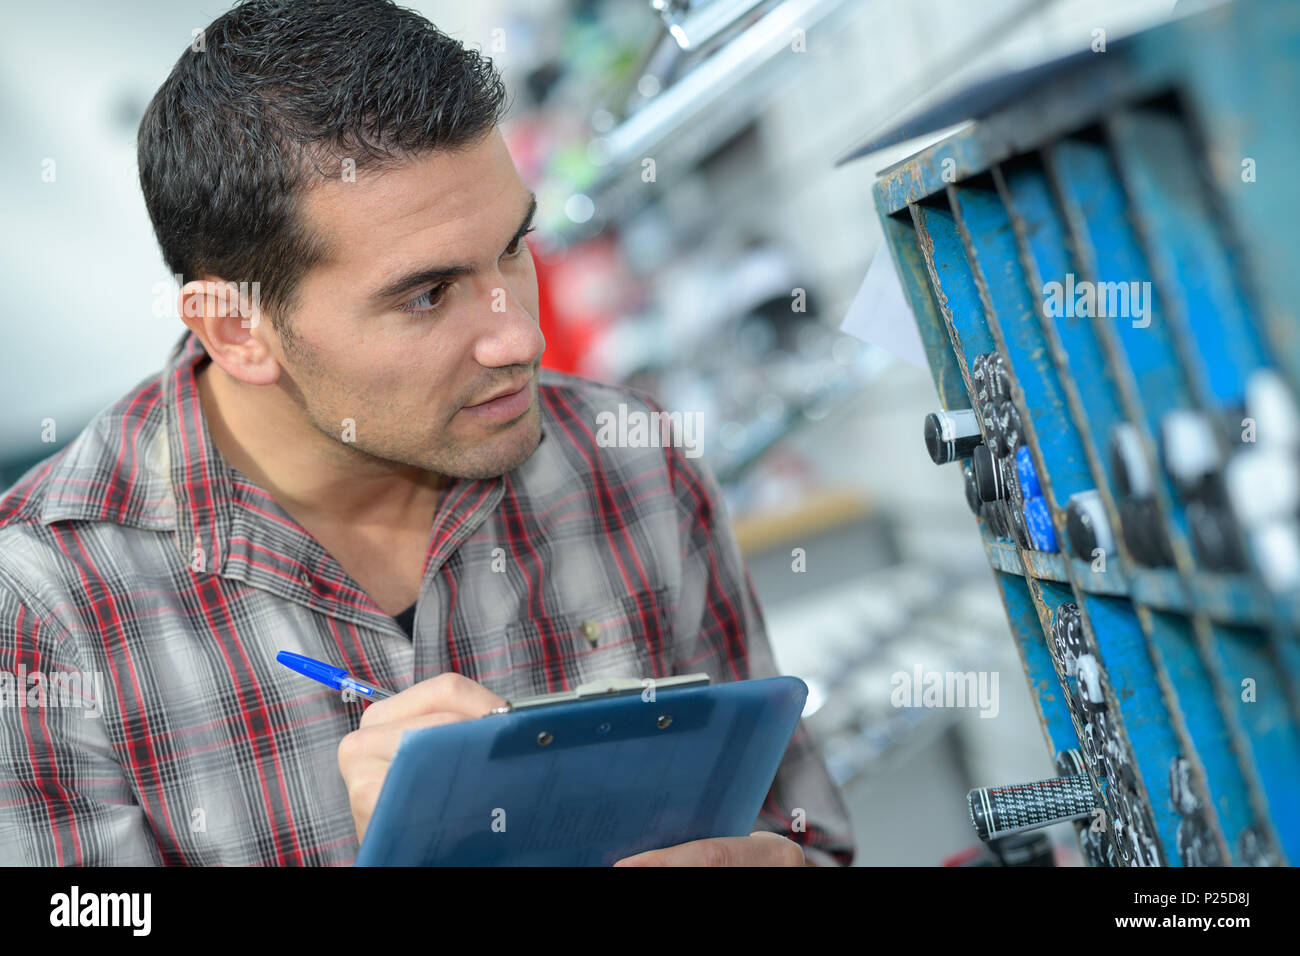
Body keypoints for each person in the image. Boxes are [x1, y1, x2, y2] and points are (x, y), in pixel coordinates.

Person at [0, 0, 854, 867]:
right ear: (237, 331)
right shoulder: (40, 611)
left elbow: (807, 830)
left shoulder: (631, 460)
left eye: (514, 246)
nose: (520, 338)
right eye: (427, 294)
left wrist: (783, 861)